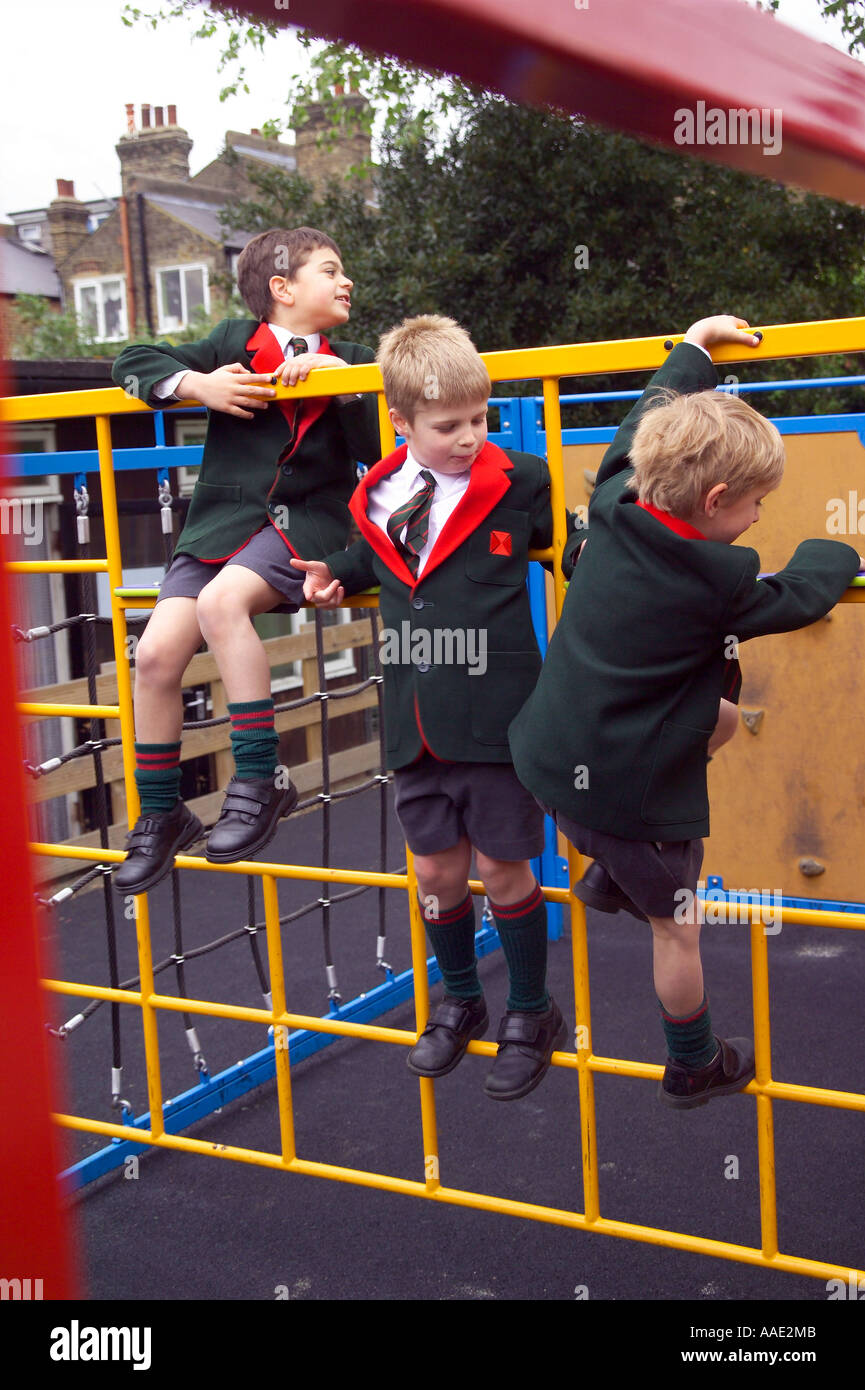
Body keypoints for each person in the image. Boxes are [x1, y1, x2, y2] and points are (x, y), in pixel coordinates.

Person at [508, 314, 864, 1108]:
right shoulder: (716, 582)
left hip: (547, 753)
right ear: (713, 499)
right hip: (624, 790)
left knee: (723, 720)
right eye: (757, 505)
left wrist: (695, 349)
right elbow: (801, 595)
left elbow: (648, 413)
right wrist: (839, 551)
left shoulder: (612, 498)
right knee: (679, 924)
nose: (761, 518)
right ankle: (693, 1061)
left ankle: (610, 877)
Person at [293, 314, 576, 1101]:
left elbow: (567, 545)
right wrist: (335, 577)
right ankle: (462, 1000)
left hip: (494, 714)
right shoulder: (377, 493)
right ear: (400, 422)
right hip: (415, 711)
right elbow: (375, 560)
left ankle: (531, 1010)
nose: (468, 437)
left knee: (503, 866)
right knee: (433, 871)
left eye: (478, 419)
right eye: (448, 425)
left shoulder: (521, 479)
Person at [110, 227, 380, 893]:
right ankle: (162, 811)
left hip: (307, 523)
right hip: (220, 525)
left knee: (221, 604)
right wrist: (196, 385)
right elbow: (131, 361)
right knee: (153, 655)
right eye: (331, 269)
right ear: (282, 288)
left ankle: (262, 777)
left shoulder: (354, 357)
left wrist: (345, 381)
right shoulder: (234, 344)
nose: (347, 282)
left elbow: (385, 445)